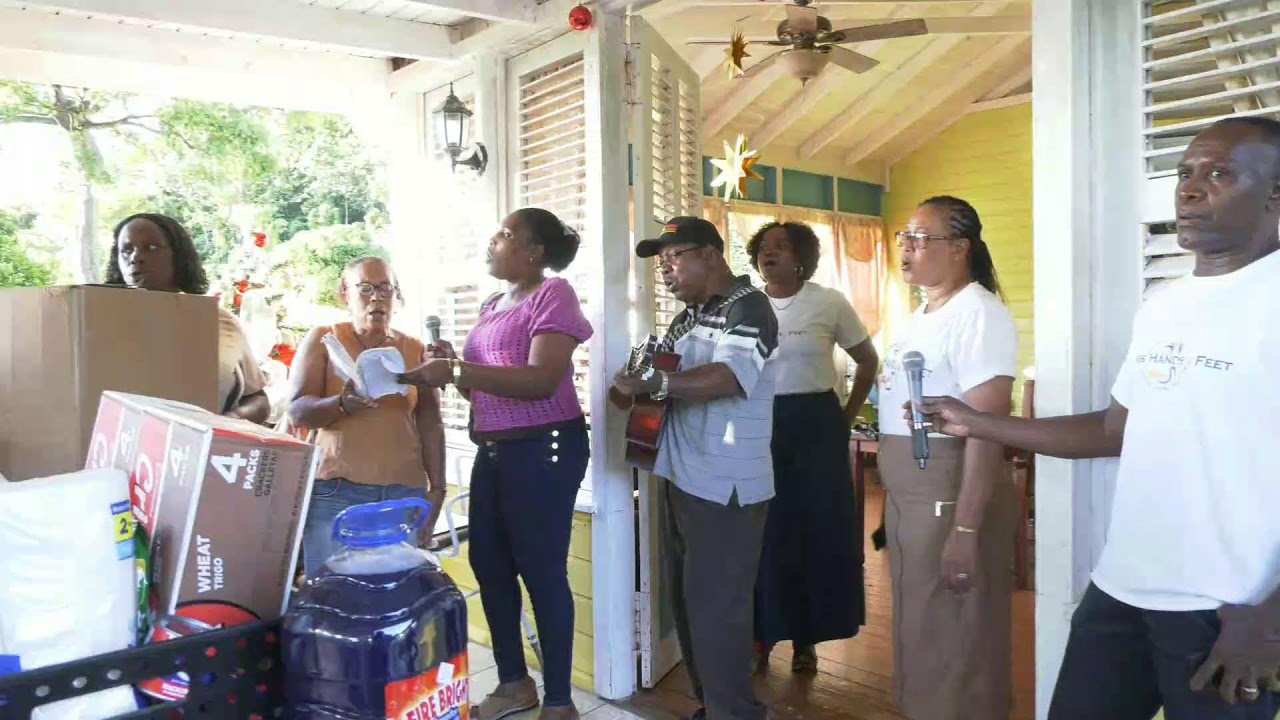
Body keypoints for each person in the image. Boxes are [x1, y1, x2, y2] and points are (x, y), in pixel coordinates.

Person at [913, 118, 1280, 719]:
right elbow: (1116, 429)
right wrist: (978, 423)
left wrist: (1270, 621)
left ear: (1275, 194)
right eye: (1185, 172)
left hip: (1228, 610)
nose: (1188, 189)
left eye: (1219, 174)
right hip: (1120, 591)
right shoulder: (1165, 304)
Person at [398, 208, 593, 720]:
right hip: (496, 448)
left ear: (535, 252)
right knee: (490, 564)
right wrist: (454, 371)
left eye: (505, 234)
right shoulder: (491, 304)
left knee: (541, 571)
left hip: (544, 448)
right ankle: (513, 683)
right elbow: (479, 385)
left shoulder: (554, 295)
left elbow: (540, 380)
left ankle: (558, 701)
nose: (492, 240)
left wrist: (460, 368)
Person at [611, 216, 778, 720]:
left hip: (726, 484)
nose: (666, 271)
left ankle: (737, 713)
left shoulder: (749, 307)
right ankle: (715, 707)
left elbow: (728, 376)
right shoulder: (689, 316)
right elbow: (661, 380)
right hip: (682, 475)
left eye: (674, 258)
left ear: (709, 254)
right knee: (689, 605)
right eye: (661, 262)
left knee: (718, 612)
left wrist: (653, 386)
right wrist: (631, 382)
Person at [875, 196, 1019, 720]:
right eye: (903, 238)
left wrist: (967, 529)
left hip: (948, 488)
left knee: (958, 630)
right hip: (911, 490)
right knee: (922, 621)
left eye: (920, 237)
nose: (907, 248)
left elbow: (986, 432)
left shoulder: (978, 313)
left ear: (959, 249)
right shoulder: (925, 311)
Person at [745, 221, 879, 675]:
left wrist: (845, 416)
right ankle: (762, 634)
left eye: (781, 246)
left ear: (802, 255)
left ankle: (806, 638)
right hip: (759, 427)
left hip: (817, 427)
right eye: (764, 247)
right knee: (765, 532)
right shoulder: (745, 304)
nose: (771, 253)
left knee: (815, 532)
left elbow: (867, 361)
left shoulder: (828, 302)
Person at [286, 257, 447, 577]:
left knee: (396, 596)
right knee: (335, 595)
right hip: (337, 492)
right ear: (344, 294)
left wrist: (438, 489)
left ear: (396, 298)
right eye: (365, 288)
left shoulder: (414, 348)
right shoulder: (323, 338)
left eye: (386, 288)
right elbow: (298, 410)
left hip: (403, 495)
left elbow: (431, 423)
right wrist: (341, 404)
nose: (377, 297)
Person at [104, 213, 270, 423]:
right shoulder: (99, 321)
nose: (136, 257)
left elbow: (257, 399)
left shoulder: (218, 321)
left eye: (152, 248)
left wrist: (225, 423)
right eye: (126, 250)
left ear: (178, 256)